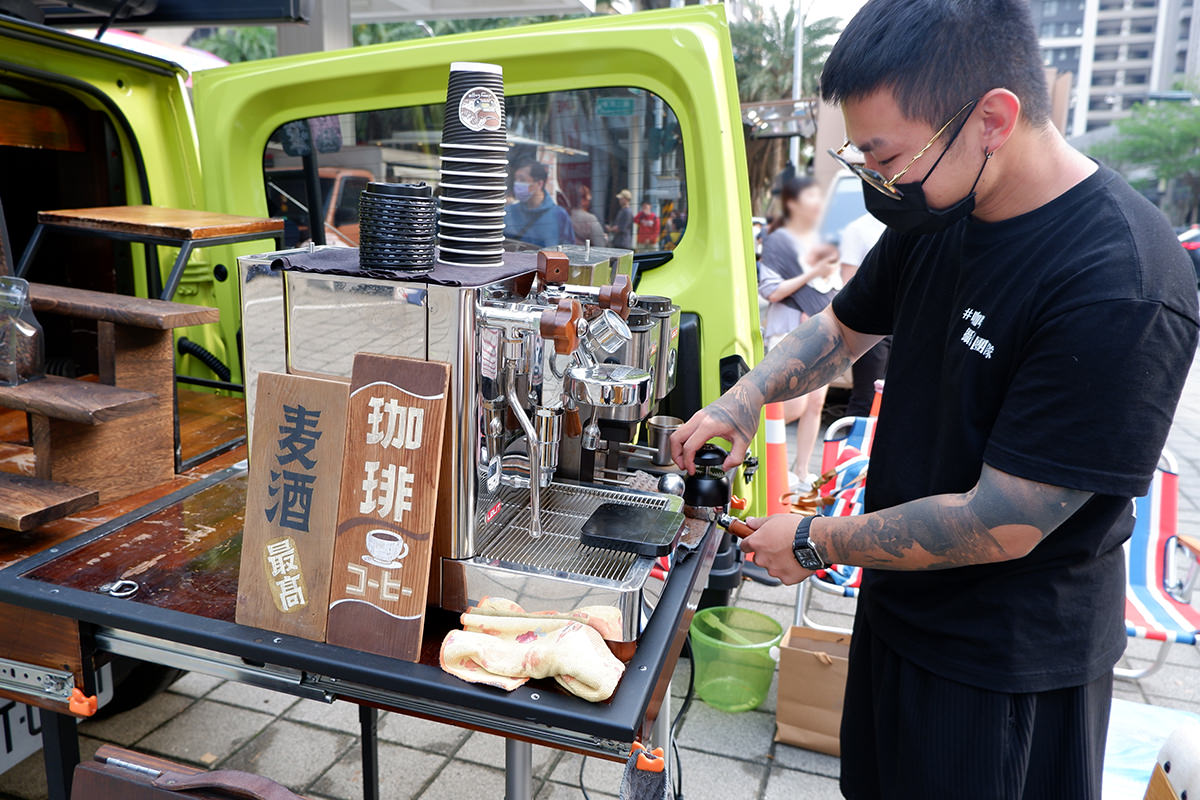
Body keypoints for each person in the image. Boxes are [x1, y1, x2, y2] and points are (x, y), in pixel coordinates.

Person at [670, 1, 1200, 797]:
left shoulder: (1121, 281)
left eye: (886, 156)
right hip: (898, 613)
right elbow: (841, 330)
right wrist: (742, 402)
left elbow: (1007, 519)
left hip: (1004, 663)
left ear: (992, 118)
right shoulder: (940, 210)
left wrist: (815, 539)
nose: (879, 181)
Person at [757, 176, 842, 480]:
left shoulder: (823, 239)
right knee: (791, 406)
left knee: (816, 404)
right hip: (791, 331)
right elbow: (771, 291)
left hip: (824, 332)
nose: (818, 203)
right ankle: (762, 454)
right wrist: (812, 274)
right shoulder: (778, 240)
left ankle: (802, 472)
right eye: (811, 198)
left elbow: (834, 284)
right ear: (793, 204)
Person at [838, 211, 889, 417]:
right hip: (871, 326)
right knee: (866, 399)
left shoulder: (915, 222)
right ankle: (853, 449)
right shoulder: (858, 229)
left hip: (905, 324)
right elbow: (848, 283)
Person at [503, 160, 574, 249]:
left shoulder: (559, 215)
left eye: (522, 180)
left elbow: (569, 250)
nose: (517, 184)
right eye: (516, 179)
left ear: (539, 183)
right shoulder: (508, 212)